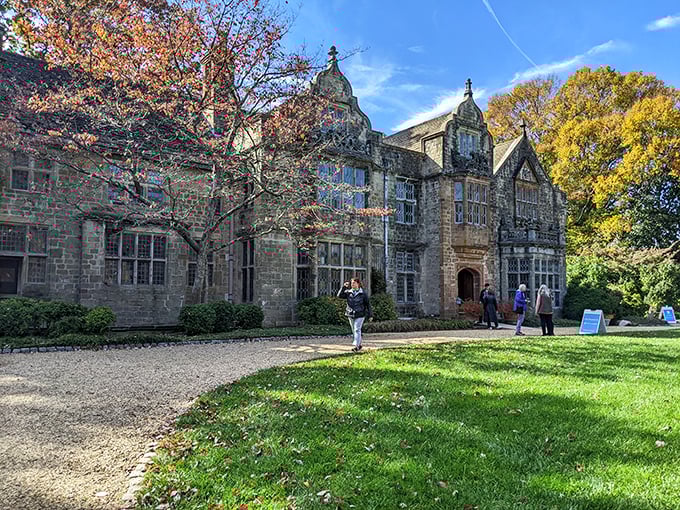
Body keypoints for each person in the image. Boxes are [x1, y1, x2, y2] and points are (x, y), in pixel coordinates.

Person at [338, 277, 372, 352]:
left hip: (360, 314)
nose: (352, 284)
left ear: (358, 284)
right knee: (354, 330)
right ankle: (359, 345)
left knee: (357, 329)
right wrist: (343, 287)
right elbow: (339, 296)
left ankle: (356, 345)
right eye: (351, 283)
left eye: (354, 283)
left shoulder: (363, 294)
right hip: (350, 314)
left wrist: (370, 315)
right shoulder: (348, 292)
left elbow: (368, 304)